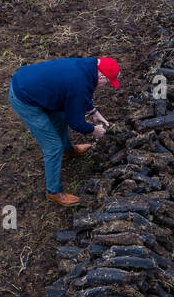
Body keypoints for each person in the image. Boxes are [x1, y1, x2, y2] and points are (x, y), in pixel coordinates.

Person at [9, 56, 122, 206]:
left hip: (36, 85)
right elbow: (76, 123)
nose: (104, 84)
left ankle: (67, 150)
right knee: (53, 147)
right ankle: (54, 192)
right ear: (101, 75)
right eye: (107, 81)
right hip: (24, 97)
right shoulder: (80, 83)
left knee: (61, 117)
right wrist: (94, 130)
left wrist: (93, 111)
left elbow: (79, 92)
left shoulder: (87, 67)